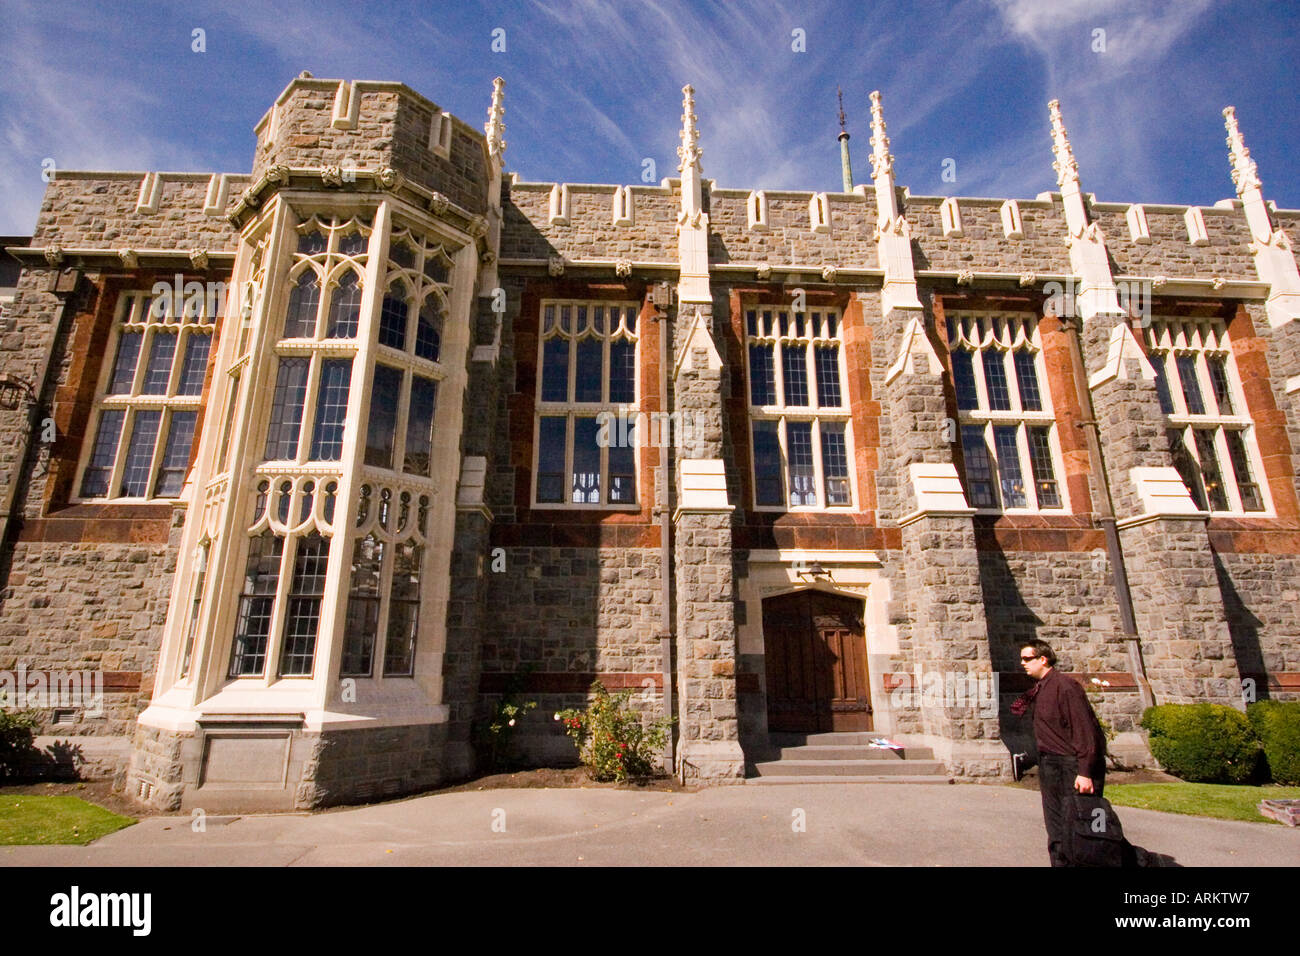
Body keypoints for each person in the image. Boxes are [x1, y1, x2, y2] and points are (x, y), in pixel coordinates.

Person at [1013, 639, 1108, 867]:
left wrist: (1085, 772)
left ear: (1042, 659)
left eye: (1027, 659)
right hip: (1049, 764)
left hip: (1071, 766)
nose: (1022, 664)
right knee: (1055, 827)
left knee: (1078, 827)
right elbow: (1016, 708)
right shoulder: (1040, 687)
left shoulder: (1066, 687)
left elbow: (1084, 731)